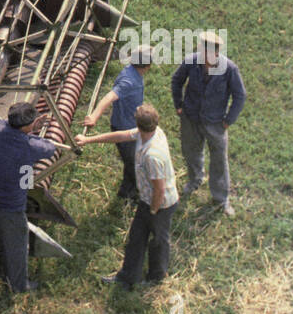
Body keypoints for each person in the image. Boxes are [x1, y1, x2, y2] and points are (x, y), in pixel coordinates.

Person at [75, 103, 179, 291]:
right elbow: (121, 135)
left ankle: (156, 277)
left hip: (160, 204)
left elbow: (160, 189)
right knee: (136, 238)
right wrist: (88, 140)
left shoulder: (153, 155)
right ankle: (127, 278)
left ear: (139, 124)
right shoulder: (147, 132)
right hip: (148, 200)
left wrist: (153, 211)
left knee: (158, 240)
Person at [0, 103, 57, 301]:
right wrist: (37, 130)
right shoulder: (29, 145)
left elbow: (8, 126)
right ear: (26, 127)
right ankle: (19, 285)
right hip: (9, 209)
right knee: (17, 248)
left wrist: (30, 127)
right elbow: (50, 148)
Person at [171, 32, 246, 216]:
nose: (205, 57)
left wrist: (228, 120)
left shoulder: (229, 69)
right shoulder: (191, 61)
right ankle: (195, 179)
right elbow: (176, 80)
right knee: (191, 151)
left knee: (219, 159)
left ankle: (221, 198)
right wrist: (178, 105)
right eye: (203, 51)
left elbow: (240, 95)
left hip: (215, 123)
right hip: (191, 118)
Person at [83, 48, 153, 200]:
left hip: (129, 123)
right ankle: (130, 193)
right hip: (124, 128)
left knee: (133, 161)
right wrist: (94, 116)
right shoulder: (130, 81)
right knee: (134, 163)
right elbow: (110, 97)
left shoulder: (131, 71)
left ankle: (127, 190)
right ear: (148, 66)